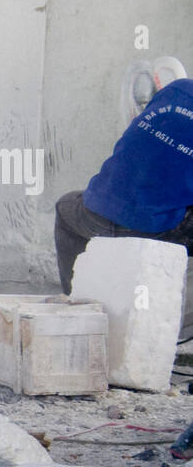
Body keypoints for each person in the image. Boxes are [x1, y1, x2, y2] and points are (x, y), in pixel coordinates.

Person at [55, 57, 193, 293]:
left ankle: (76, 301)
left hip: (96, 215)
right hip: (157, 230)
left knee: (66, 207)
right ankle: (171, 311)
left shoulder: (178, 89)